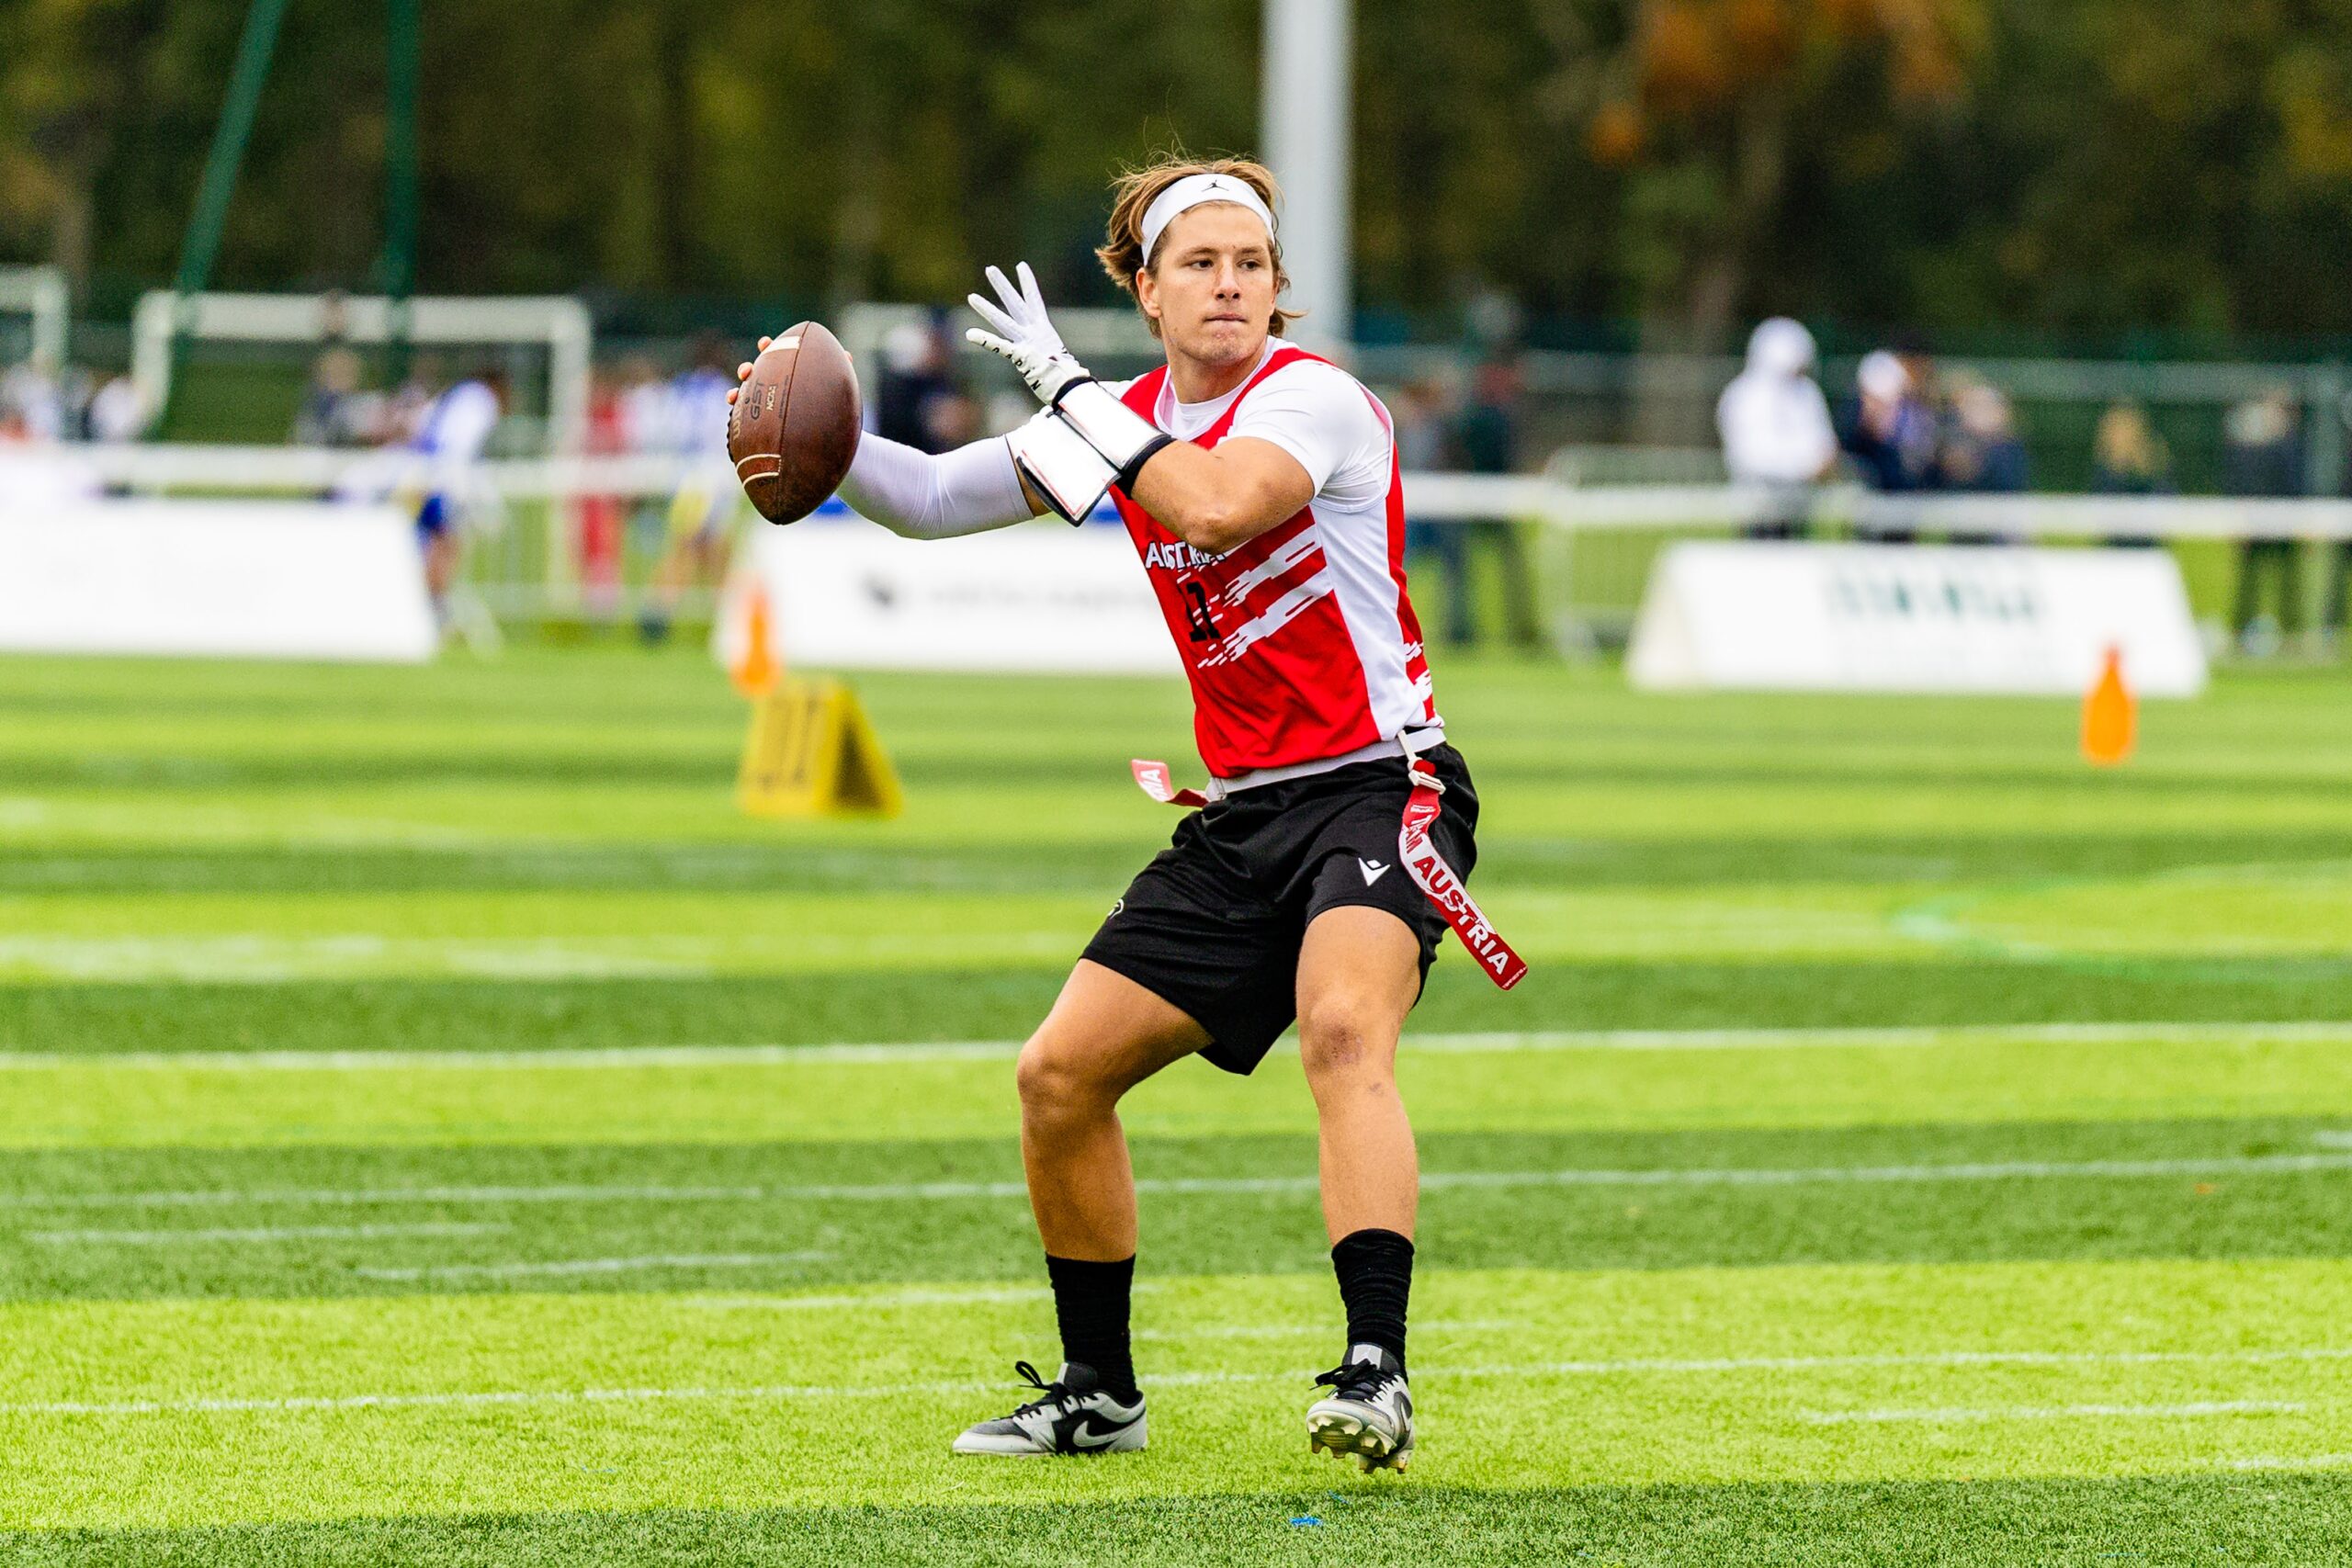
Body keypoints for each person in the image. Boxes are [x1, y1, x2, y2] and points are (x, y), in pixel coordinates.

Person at [732, 154, 1513, 1472]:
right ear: (1145, 290)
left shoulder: (1311, 396)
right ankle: (1101, 1391)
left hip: (1382, 781)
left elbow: (1211, 504)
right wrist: (798, 428)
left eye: (1250, 265)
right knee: (1057, 1077)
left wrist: (1071, 391)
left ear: (1278, 290)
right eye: (1199, 265)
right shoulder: (1122, 410)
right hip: (1247, 809)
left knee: (1340, 1029)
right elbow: (926, 499)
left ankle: (1373, 1366)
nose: (1229, 287)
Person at [1716, 318, 1838, 538]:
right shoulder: (1743, 395)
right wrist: (1805, 466)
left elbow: (1822, 442)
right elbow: (1751, 455)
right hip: (1758, 509)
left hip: (1798, 508)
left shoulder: (1807, 393)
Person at [2224, 389, 2305, 655]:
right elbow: (2240, 483)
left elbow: (2296, 485)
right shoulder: (2250, 445)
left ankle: (2291, 635)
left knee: (2288, 582)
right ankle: (2239, 632)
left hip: (2285, 521)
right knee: (2249, 580)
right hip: (2254, 521)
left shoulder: (2291, 446)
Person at [2090, 401, 2175, 548]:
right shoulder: (2104, 471)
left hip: (2149, 554)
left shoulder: (2155, 466)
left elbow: (2168, 511)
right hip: (2115, 557)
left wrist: (2141, 471)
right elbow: (2099, 520)